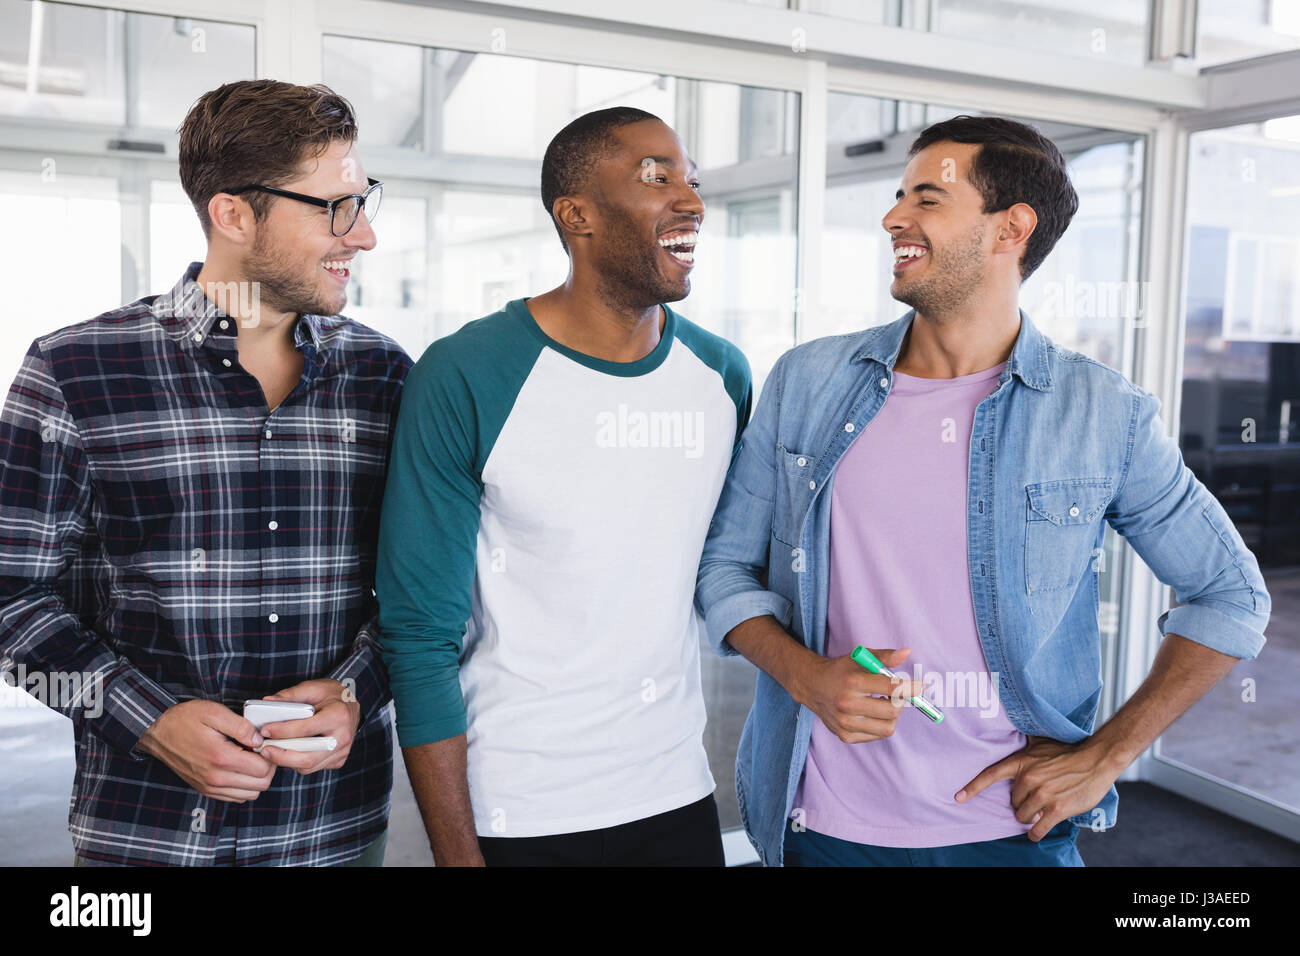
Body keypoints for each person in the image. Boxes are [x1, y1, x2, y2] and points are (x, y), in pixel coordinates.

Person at [695, 115, 1270, 867]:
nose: (893, 217)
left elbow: (1231, 593)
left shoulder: (1103, 413)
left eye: (928, 199)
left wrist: (1105, 757)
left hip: (1012, 835)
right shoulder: (807, 383)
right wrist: (805, 675)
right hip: (826, 829)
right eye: (900, 195)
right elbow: (724, 570)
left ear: (1012, 228)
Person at [0, 79, 410, 865]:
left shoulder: (388, 377)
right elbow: (10, 598)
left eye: (363, 201)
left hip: (336, 833)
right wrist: (144, 717)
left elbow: (428, 592)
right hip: (145, 840)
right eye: (334, 208)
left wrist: (360, 687)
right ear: (232, 214)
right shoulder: (74, 371)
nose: (363, 238)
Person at [377, 106, 750, 866]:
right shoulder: (466, 374)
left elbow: (727, 571)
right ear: (576, 215)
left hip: (677, 791)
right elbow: (419, 637)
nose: (692, 201)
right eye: (656, 176)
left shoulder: (721, 377)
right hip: (522, 810)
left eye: (693, 179)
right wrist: (457, 856)